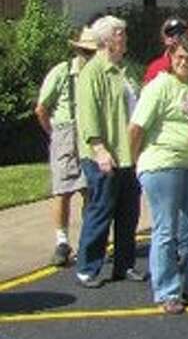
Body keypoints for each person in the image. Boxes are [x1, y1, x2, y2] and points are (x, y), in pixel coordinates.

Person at [129, 39, 188, 315]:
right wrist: (134, 162)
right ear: (171, 58)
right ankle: (167, 291)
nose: (184, 62)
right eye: (179, 57)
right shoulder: (159, 86)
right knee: (166, 229)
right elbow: (136, 128)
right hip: (161, 164)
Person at [74, 15, 144, 289]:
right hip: (104, 155)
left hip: (129, 154)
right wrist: (99, 148)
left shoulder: (126, 70)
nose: (124, 38)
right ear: (106, 40)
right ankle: (87, 267)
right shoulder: (93, 71)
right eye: (119, 34)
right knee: (101, 209)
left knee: (129, 212)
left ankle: (124, 264)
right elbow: (88, 113)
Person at [35, 27, 97, 267]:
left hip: (90, 134)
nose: (88, 56)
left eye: (92, 52)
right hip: (65, 131)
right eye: (85, 51)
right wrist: (54, 133)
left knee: (91, 189)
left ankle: (88, 240)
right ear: (77, 50)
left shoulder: (98, 74)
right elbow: (42, 108)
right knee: (63, 189)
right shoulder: (61, 72)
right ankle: (62, 241)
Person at [143, 17, 188, 84]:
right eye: (170, 34)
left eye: (179, 34)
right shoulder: (157, 66)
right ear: (164, 38)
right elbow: (146, 88)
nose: (174, 37)